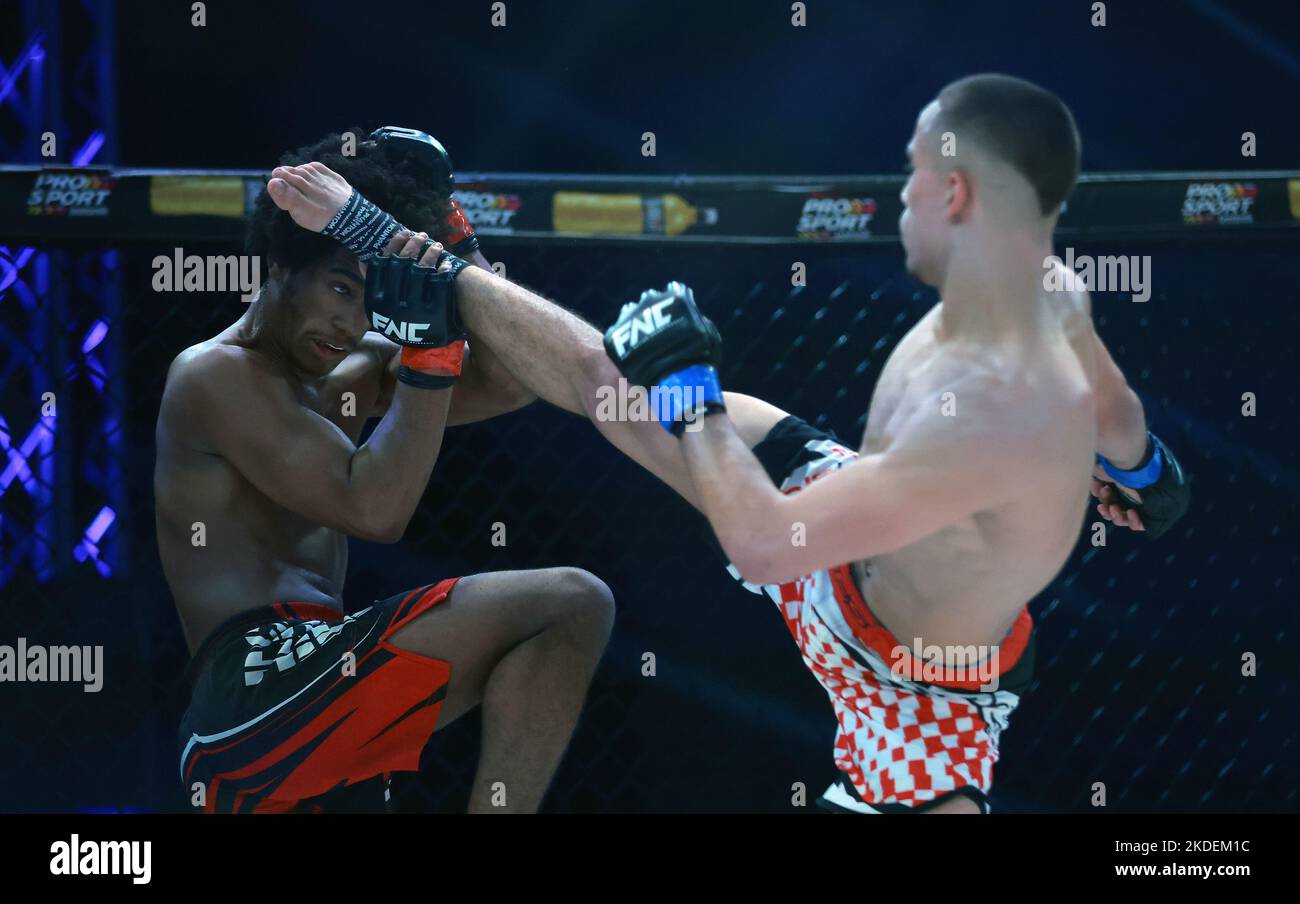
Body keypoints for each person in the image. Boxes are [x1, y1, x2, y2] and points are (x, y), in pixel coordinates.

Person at [271, 76, 1189, 813]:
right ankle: (404, 244)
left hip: (914, 685)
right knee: (611, 390)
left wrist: (693, 398)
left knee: (650, 396)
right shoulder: (1052, 292)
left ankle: (400, 246)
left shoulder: (995, 409)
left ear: (953, 190)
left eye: (910, 171)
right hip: (851, 505)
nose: (899, 190)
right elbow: (1118, 413)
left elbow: (769, 539)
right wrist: (1144, 473)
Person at [157, 128, 614, 814]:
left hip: (316, 695)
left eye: (370, 300)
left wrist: (455, 241)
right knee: (570, 602)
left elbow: (519, 376)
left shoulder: (353, 369)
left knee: (567, 617)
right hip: (253, 695)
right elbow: (375, 510)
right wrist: (428, 363)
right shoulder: (214, 374)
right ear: (280, 267)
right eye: (339, 287)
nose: (350, 321)